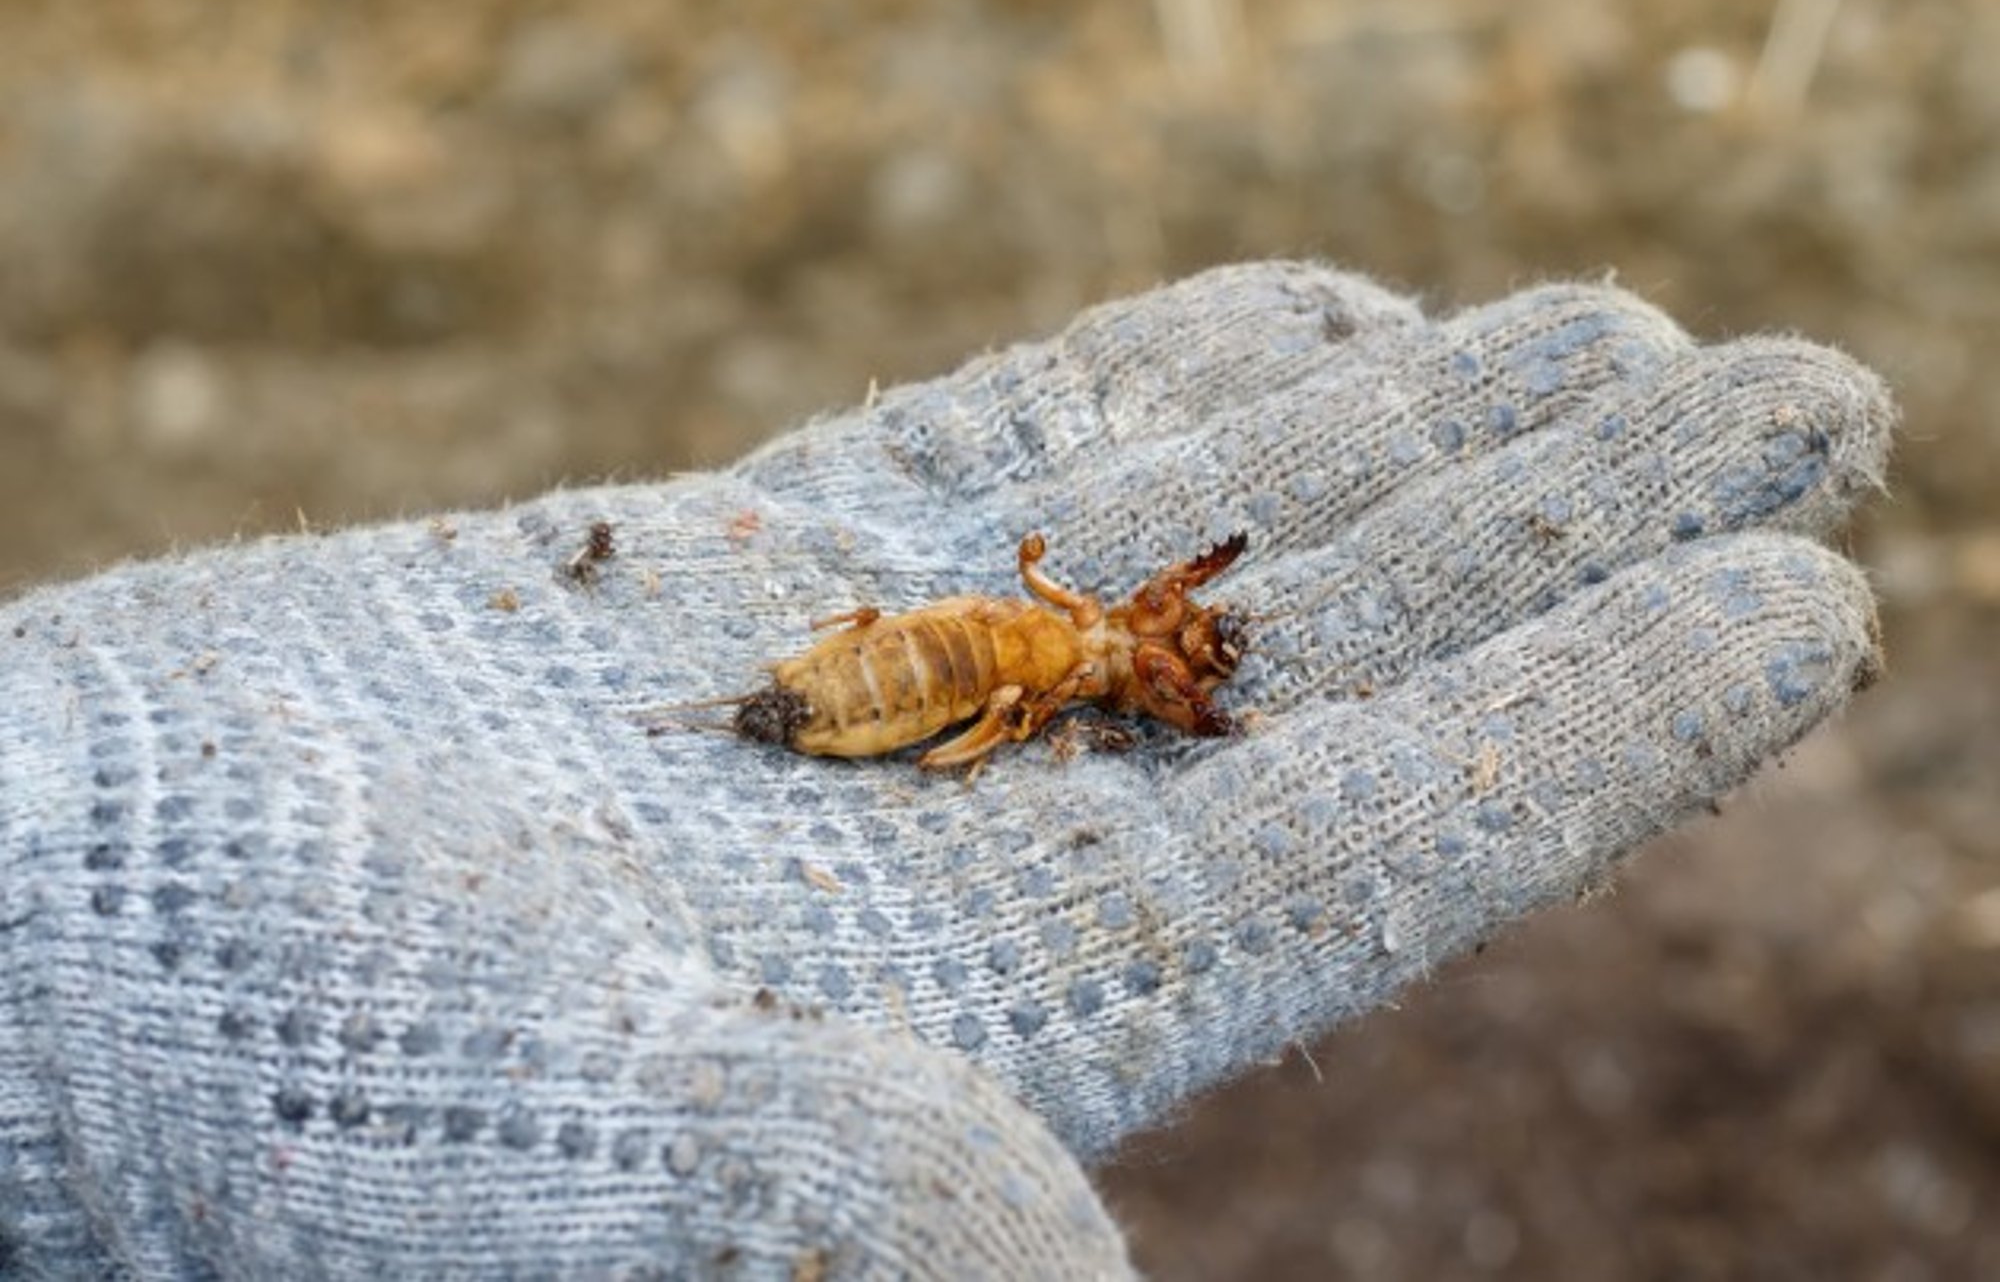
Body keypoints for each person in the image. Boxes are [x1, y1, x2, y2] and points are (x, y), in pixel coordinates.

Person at [0, 261, 1891, 1278]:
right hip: (919, 681)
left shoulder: (1086, 645)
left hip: (962, 672)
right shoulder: (1076, 651)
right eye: (1175, 644)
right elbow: (1086, 648)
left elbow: (1106, 644)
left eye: (1172, 661)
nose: (1182, 655)